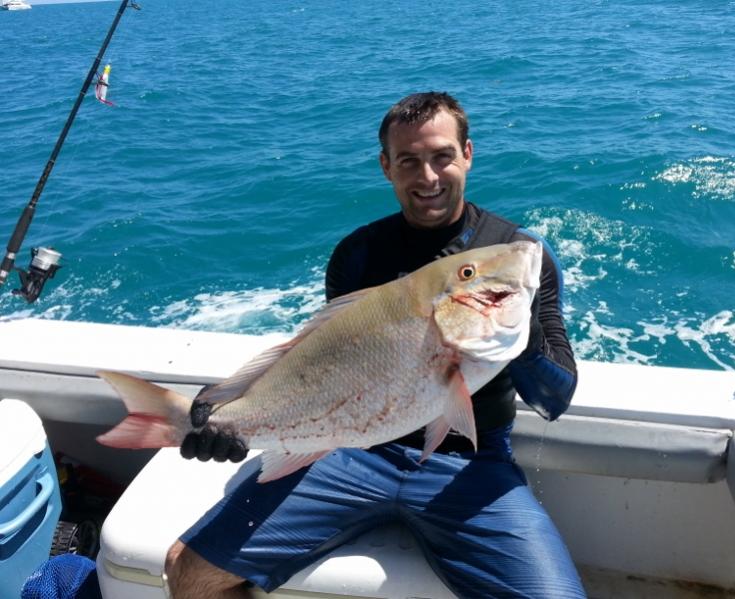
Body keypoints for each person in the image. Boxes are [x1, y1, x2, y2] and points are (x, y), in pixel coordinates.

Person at [165, 92, 586, 599]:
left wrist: (517, 330)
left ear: (467, 154)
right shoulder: (358, 254)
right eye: (409, 161)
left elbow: (555, 399)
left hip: (473, 462)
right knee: (188, 571)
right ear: (386, 166)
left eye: (442, 157)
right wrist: (225, 407)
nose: (428, 177)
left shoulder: (516, 255)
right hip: (351, 451)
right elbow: (316, 367)